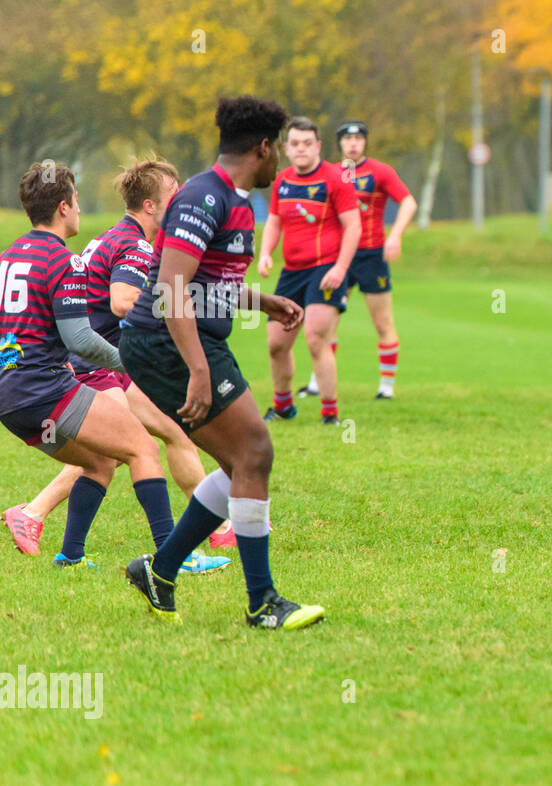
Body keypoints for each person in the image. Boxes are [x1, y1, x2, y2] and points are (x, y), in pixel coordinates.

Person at [119, 95, 324, 629]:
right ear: (262, 147)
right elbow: (170, 289)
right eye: (276, 148)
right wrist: (200, 370)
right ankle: (261, 604)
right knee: (254, 450)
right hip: (163, 341)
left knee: (244, 463)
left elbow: (209, 286)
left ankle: (160, 571)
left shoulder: (233, 199)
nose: (278, 158)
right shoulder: (202, 198)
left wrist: (263, 301)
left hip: (189, 338)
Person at [3, 159, 231, 569]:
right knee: (143, 448)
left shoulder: (7, 258)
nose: (78, 208)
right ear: (64, 208)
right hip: (47, 387)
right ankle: (172, 557)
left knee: (99, 459)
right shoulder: (66, 260)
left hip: (13, 392)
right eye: (75, 200)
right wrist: (131, 363)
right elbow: (84, 336)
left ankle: (69, 554)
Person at [296, 120, 416, 400]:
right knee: (325, 321)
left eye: (359, 139)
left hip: (372, 255)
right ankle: (317, 381)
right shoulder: (330, 173)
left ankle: (386, 387)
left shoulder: (380, 171)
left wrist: (395, 235)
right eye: (348, 139)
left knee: (383, 321)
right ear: (338, 144)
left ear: (365, 142)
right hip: (337, 257)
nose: (353, 144)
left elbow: (409, 202)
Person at [257, 117, 360, 425]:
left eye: (307, 143)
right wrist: (264, 254)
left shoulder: (336, 179)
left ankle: (330, 412)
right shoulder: (283, 181)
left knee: (316, 337)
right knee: (276, 343)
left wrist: (341, 268)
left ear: (317, 146)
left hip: (325, 268)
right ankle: (283, 405)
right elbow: (274, 222)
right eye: (295, 144)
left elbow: (353, 225)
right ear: (286, 148)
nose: (300, 149)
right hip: (292, 271)